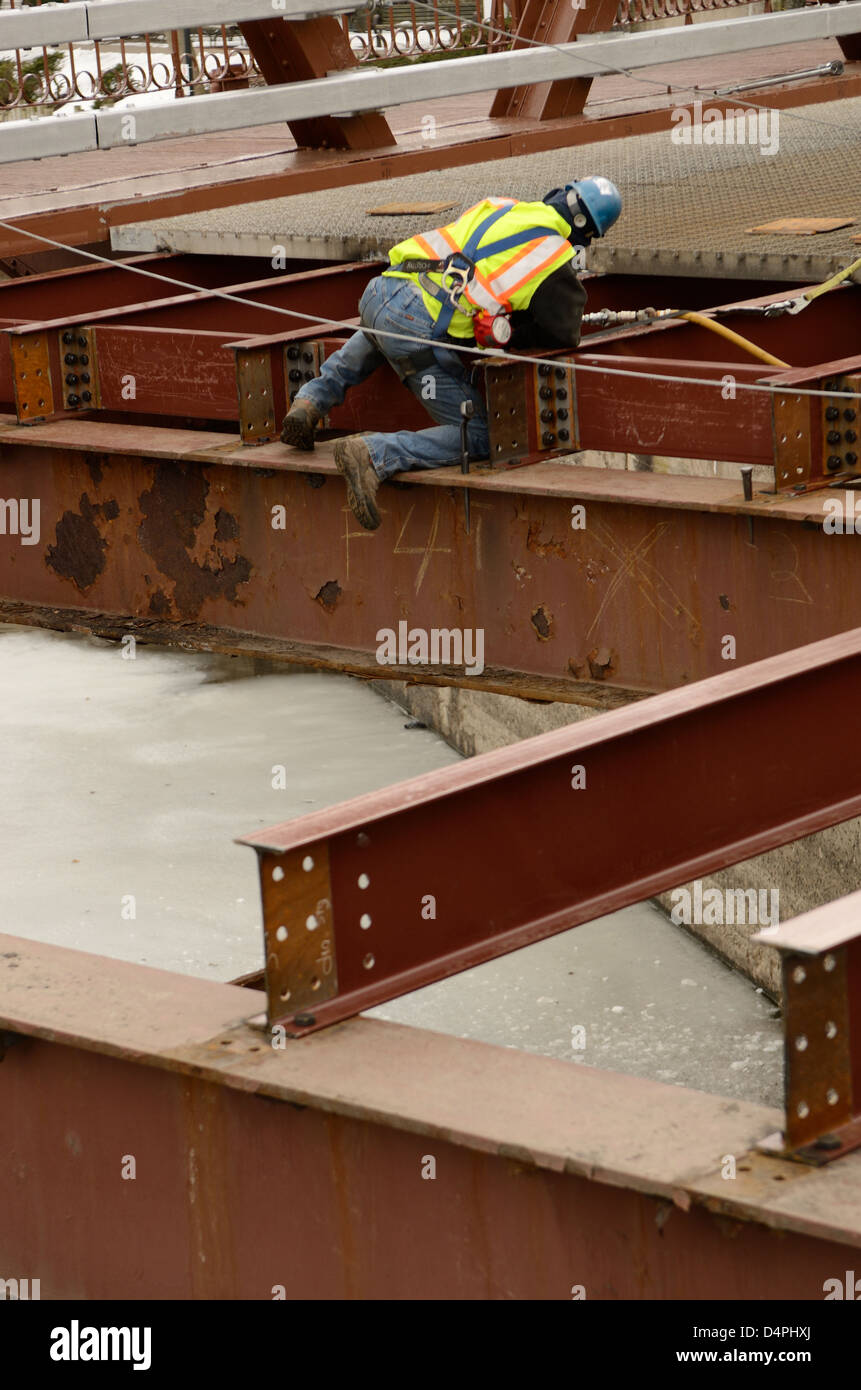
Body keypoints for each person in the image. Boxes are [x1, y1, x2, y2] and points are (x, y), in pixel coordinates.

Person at [281, 176, 622, 530]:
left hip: (383, 288)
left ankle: (308, 403)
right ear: (585, 233)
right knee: (481, 433)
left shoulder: (502, 205)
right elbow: (564, 331)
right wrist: (515, 335)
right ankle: (375, 454)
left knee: (379, 331)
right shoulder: (552, 259)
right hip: (413, 326)